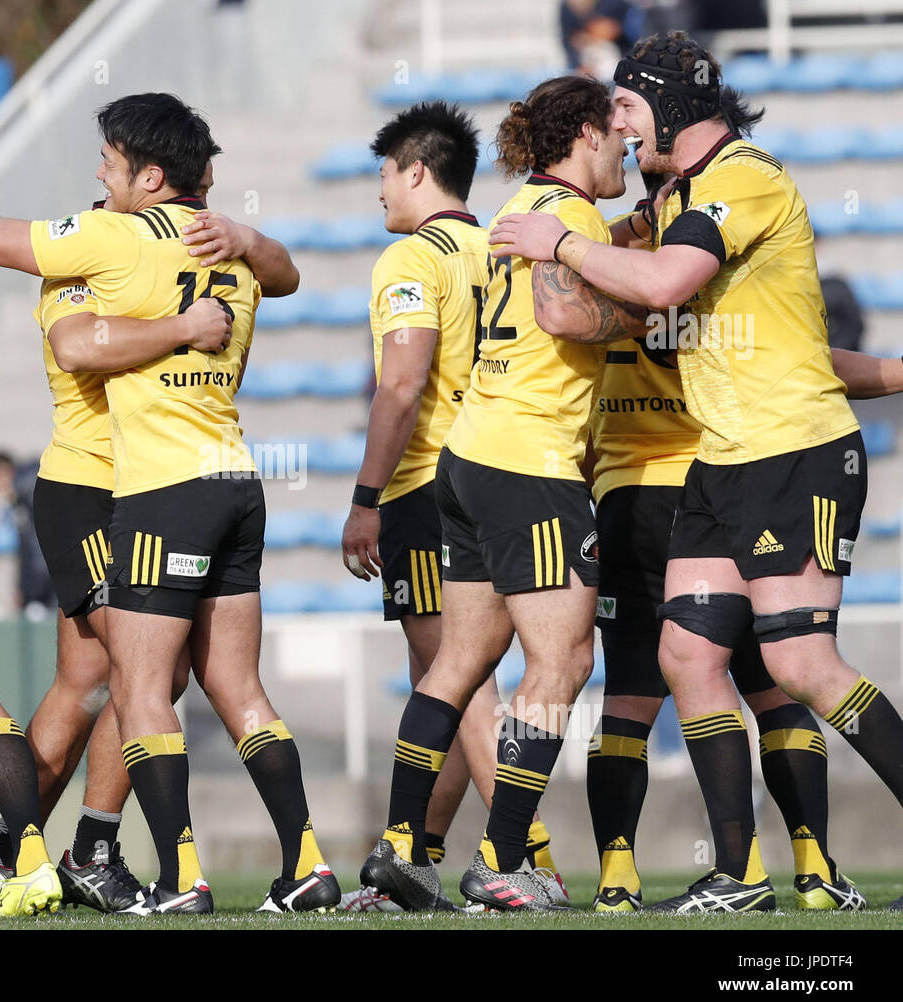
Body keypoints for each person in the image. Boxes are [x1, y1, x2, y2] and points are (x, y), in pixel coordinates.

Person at [490, 31, 903, 913]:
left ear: (673, 103)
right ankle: (740, 872)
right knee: (684, 654)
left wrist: (559, 244)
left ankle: (808, 858)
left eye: (630, 108)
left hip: (793, 453)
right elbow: (782, 340)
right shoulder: (683, 194)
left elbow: (667, 282)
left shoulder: (744, 176)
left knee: (801, 665)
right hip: (722, 462)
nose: (624, 129)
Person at [0, 92, 339, 914]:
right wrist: (197, 311)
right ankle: (40, 847)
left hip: (157, 488)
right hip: (108, 486)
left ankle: (112, 855)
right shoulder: (203, 258)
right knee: (138, 679)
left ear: (149, 177)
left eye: (108, 162)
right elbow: (77, 342)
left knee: (138, 680)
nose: (95, 174)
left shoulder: (109, 241)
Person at [362, 75, 646, 912]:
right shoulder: (571, 219)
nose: (629, 146)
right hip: (530, 462)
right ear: (588, 134)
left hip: (466, 458)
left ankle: (402, 850)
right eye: (618, 133)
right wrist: (652, 311)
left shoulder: (512, 214)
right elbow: (564, 317)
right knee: (564, 658)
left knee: (458, 662)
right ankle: (502, 855)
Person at [587, 195, 864, 910]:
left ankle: (621, 877)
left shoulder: (604, 276)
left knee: (632, 693)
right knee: (776, 684)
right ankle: (813, 866)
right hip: (718, 483)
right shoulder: (706, 274)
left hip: (631, 495)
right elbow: (802, 358)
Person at [339, 101, 566, 910]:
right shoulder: (502, 245)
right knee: (441, 677)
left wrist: (366, 497)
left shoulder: (412, 258)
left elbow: (400, 385)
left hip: (431, 490)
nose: (378, 195)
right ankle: (416, 860)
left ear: (415, 170)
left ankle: (523, 854)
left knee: (460, 681)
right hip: (509, 475)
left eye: (383, 176)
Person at [0, 451, 57, 615]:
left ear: (2, 473)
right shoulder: (24, 498)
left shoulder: (30, 492)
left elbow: (39, 547)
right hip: (45, 582)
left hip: (49, 585)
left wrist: (30, 591)